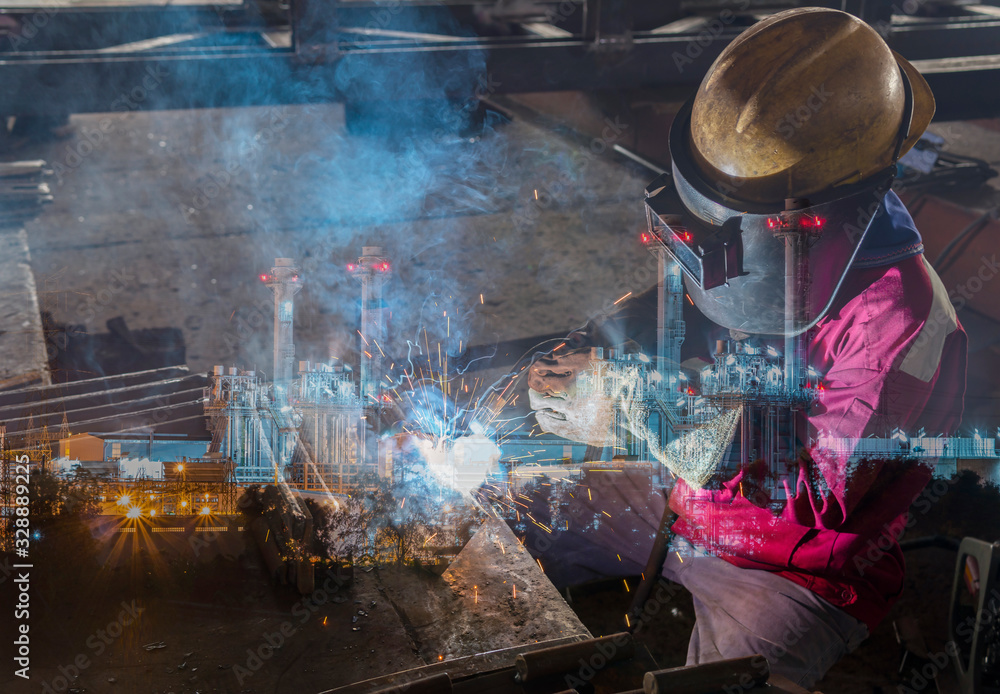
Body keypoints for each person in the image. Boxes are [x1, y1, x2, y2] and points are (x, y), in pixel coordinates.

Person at [521, 7, 968, 687]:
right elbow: (699, 297)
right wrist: (617, 339)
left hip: (798, 570)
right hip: (682, 501)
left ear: (806, 219)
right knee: (508, 515)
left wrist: (640, 408)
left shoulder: (903, 323)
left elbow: (816, 491)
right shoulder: (762, 244)